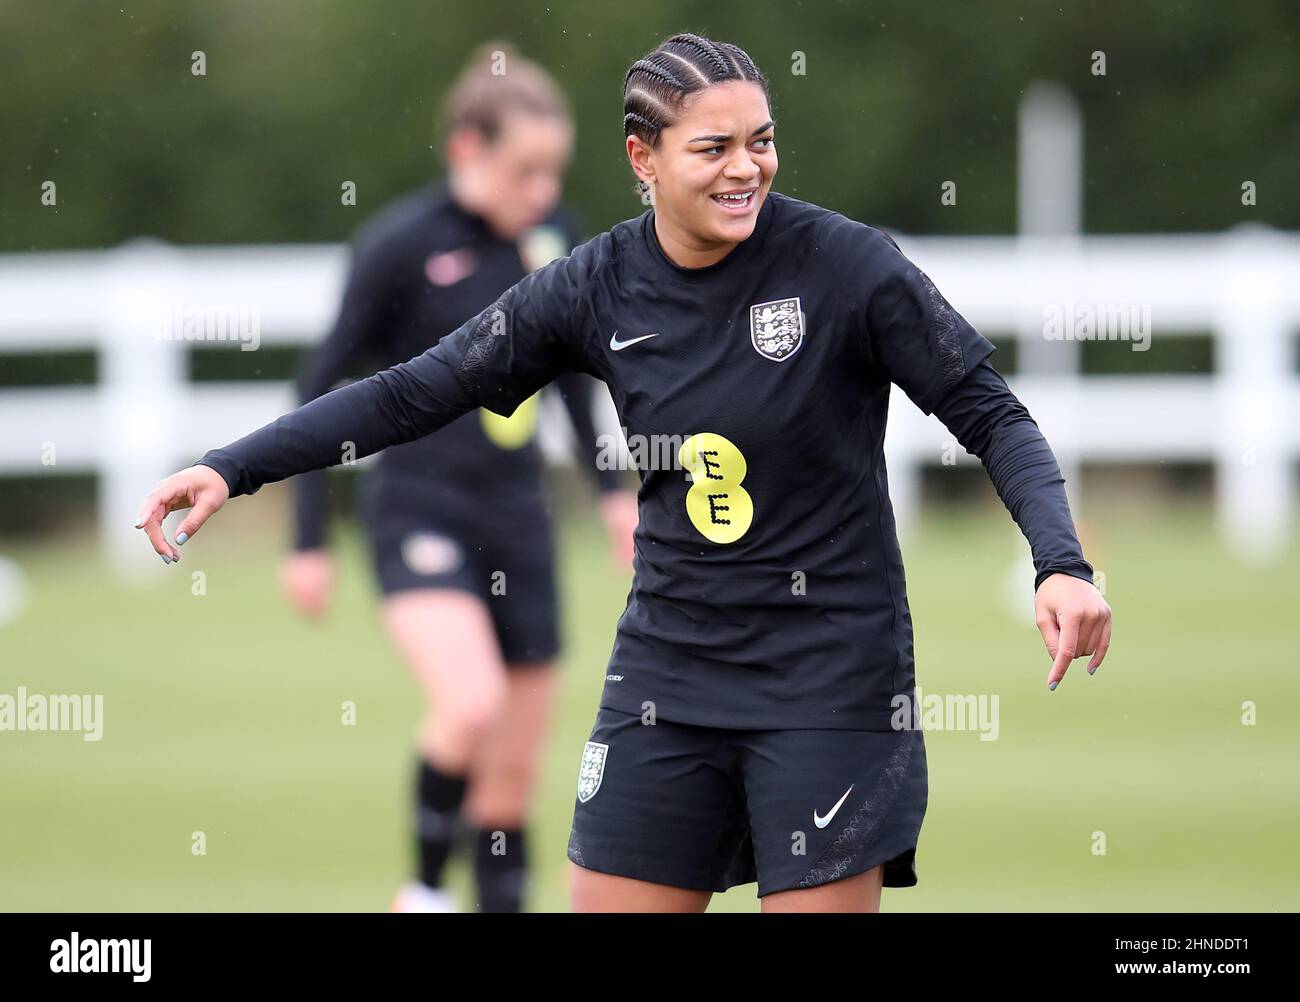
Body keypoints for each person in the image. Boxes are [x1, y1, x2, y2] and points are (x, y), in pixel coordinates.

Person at [134, 32, 1112, 914]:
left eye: (761, 141)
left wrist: (1058, 560)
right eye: (713, 148)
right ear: (642, 160)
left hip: (829, 676)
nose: (746, 169)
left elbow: (991, 413)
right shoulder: (591, 284)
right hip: (668, 671)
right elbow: (408, 395)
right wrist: (232, 468)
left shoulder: (849, 268)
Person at [279, 43, 636, 913]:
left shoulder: (553, 242)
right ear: (467, 150)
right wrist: (307, 540)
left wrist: (615, 498)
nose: (544, 191)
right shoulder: (399, 245)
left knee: (510, 787)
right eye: (526, 169)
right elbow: (314, 385)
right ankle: (424, 893)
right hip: (418, 511)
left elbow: (580, 390)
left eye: (554, 170)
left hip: (519, 519)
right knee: (468, 705)